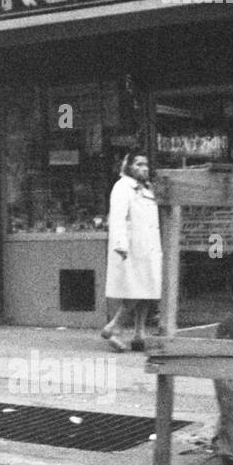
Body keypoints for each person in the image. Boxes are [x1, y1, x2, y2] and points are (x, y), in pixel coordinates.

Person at [102, 150, 162, 353]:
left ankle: (139, 333)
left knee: (147, 291)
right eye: (138, 164)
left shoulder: (147, 188)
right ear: (128, 167)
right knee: (135, 291)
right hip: (132, 248)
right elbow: (117, 218)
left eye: (145, 164)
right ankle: (114, 327)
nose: (143, 168)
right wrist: (121, 246)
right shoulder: (122, 188)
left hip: (148, 247)